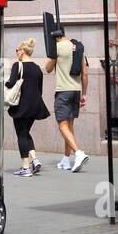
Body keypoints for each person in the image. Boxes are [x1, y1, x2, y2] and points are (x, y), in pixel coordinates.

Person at [44, 26, 89, 171]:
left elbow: (48, 68)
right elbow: (85, 73)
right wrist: (84, 94)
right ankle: (66, 159)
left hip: (63, 91)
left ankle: (78, 153)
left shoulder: (57, 48)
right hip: (76, 91)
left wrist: (52, 55)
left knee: (62, 125)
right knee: (69, 127)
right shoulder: (78, 47)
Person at [6, 38, 49, 176]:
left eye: (17, 50)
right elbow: (39, 89)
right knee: (25, 132)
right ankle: (35, 160)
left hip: (22, 106)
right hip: (35, 105)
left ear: (23, 51)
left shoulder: (17, 66)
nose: (16, 53)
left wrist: (5, 83)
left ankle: (25, 167)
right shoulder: (37, 68)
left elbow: (11, 83)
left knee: (21, 135)